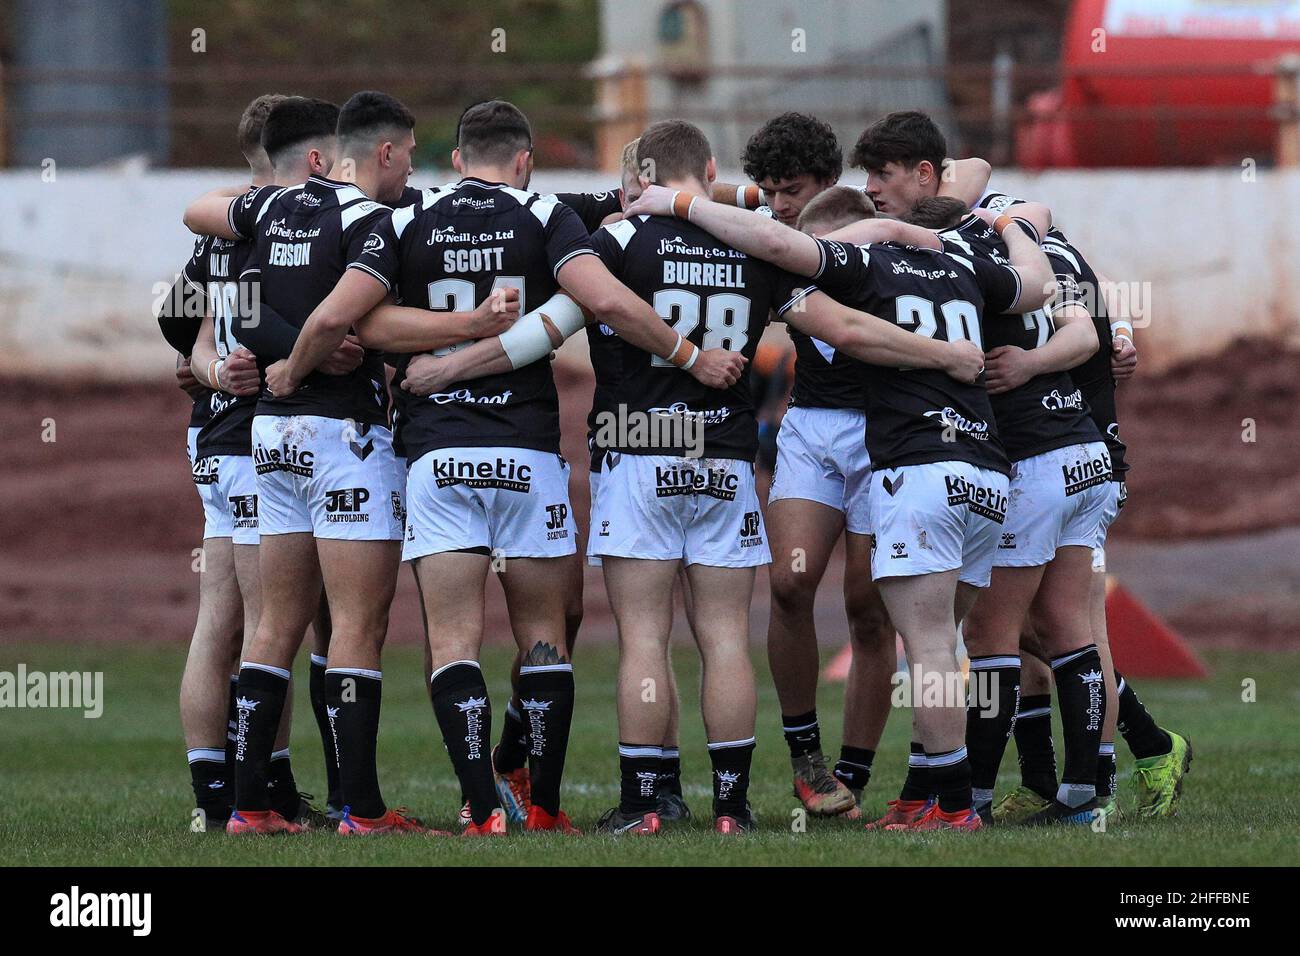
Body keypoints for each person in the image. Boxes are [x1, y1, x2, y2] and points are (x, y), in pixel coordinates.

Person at [623, 175, 1054, 831]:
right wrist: (1011, 226)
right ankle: (921, 784)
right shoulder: (966, 263)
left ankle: (941, 795)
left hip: (907, 456)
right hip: (973, 462)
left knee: (916, 632)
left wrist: (682, 200)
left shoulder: (860, 262)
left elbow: (843, 311)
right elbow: (1041, 285)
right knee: (843, 602)